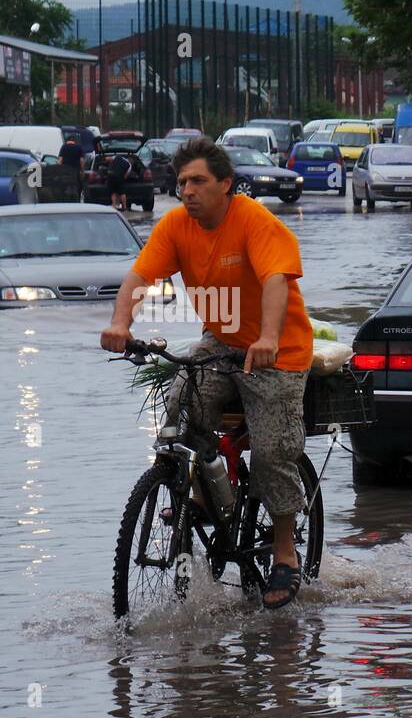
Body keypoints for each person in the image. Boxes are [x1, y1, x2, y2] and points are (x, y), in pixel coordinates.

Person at [100, 136, 314, 610]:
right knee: (180, 406)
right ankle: (200, 491)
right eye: (181, 183)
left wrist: (268, 339)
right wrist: (120, 324)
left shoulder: (255, 222)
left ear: (226, 184)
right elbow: (139, 279)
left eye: (197, 181)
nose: (188, 191)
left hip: (278, 348)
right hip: (222, 340)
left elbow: (277, 280)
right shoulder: (176, 226)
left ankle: (285, 552)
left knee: (273, 448)